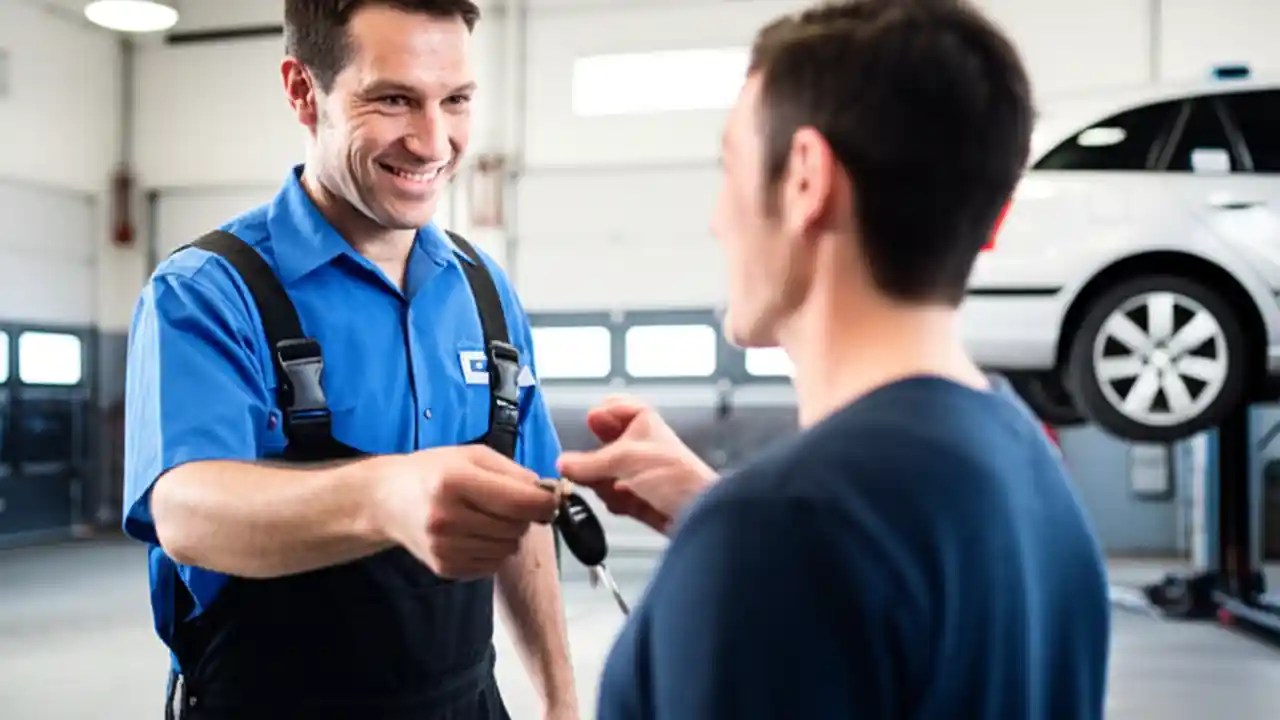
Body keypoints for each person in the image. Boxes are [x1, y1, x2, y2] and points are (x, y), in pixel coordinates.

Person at [558, 1, 1112, 718]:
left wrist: (744, 542)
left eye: (729, 165)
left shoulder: (780, 535)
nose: (716, 217)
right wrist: (723, 514)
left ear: (806, 181)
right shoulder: (1024, 459)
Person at [121, 1, 578, 718]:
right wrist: (387, 498)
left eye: (455, 100)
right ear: (304, 91)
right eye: (394, 99)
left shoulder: (484, 294)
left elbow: (520, 527)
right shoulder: (208, 292)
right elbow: (184, 510)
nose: (433, 142)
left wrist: (560, 702)